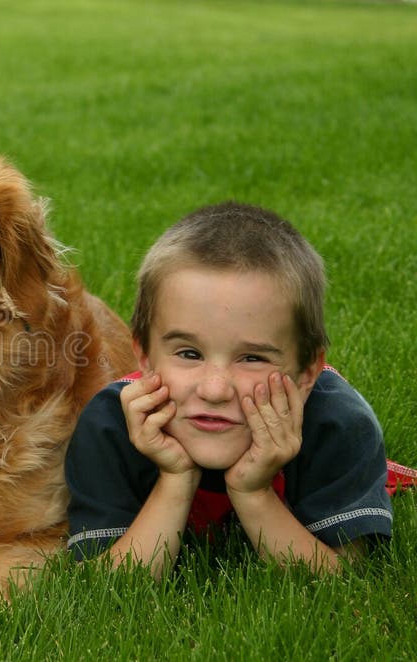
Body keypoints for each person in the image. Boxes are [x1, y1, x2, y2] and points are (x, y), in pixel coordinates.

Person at [65, 201, 393, 577]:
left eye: (252, 358)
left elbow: (343, 577)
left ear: (306, 373)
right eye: (189, 353)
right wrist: (175, 479)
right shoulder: (110, 425)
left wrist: (254, 494)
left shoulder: (337, 423)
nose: (215, 389)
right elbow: (110, 586)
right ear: (145, 357)